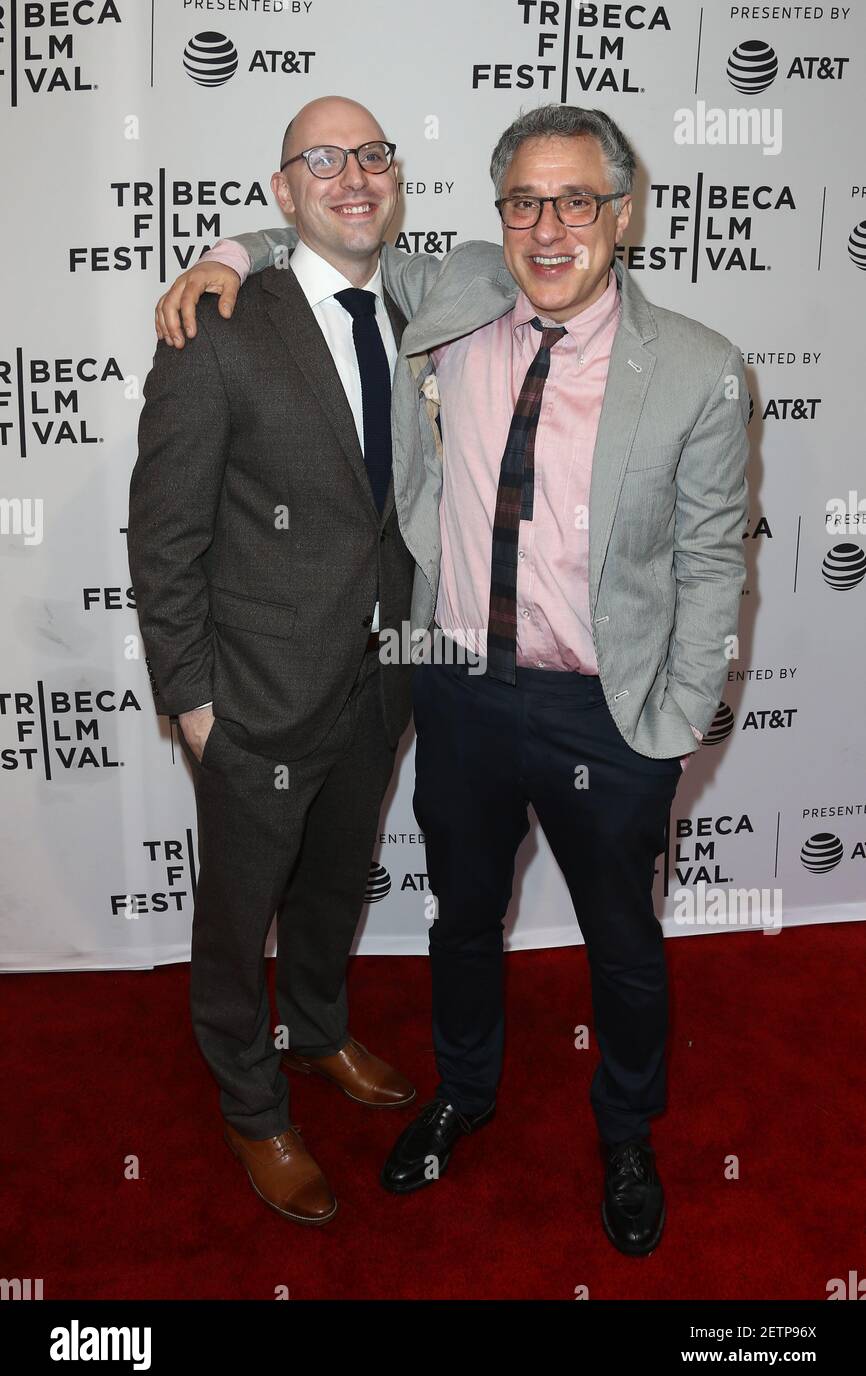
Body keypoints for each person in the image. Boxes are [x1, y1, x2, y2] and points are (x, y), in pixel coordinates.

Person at [154, 104, 749, 1256]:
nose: (547, 227)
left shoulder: (699, 370)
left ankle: (624, 1131)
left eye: (576, 199)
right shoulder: (459, 298)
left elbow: (714, 556)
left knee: (622, 944)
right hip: (459, 691)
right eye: (523, 199)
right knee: (462, 924)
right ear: (496, 215)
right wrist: (224, 251)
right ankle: (463, 1093)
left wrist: (671, 721)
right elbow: (330, 234)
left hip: (603, 711)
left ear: (619, 213)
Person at [128, 95, 451, 1227]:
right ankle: (249, 1098)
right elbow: (164, 536)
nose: (352, 176)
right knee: (238, 910)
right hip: (256, 695)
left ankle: (315, 1031)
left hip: (382, 677)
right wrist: (192, 701)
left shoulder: (427, 300)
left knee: (333, 880)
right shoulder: (218, 325)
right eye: (322, 160)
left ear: (394, 175)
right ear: (281, 188)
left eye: (371, 155)